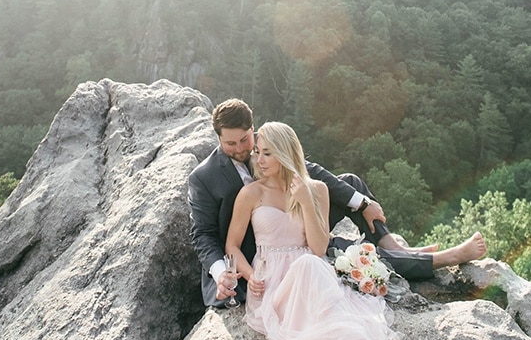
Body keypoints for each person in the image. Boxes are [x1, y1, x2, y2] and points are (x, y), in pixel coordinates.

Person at [188, 98, 487, 308]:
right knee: (347, 253)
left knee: (351, 184)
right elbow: (202, 235)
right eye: (231, 144)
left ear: (252, 129)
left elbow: (308, 169)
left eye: (245, 140)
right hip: (259, 249)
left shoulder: (264, 145)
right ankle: (443, 259)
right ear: (218, 139)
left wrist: (363, 203)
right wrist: (222, 272)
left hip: (290, 218)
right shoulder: (204, 177)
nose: (241, 149)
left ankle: (391, 244)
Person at [226, 121, 404, 340]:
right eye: (258, 152)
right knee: (307, 281)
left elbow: (318, 248)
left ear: (286, 153)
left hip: (312, 275)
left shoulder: (317, 189)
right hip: (273, 282)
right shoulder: (251, 193)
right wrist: (250, 275)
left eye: (268, 153)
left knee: (310, 271)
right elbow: (232, 246)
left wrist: (306, 202)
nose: (259, 160)